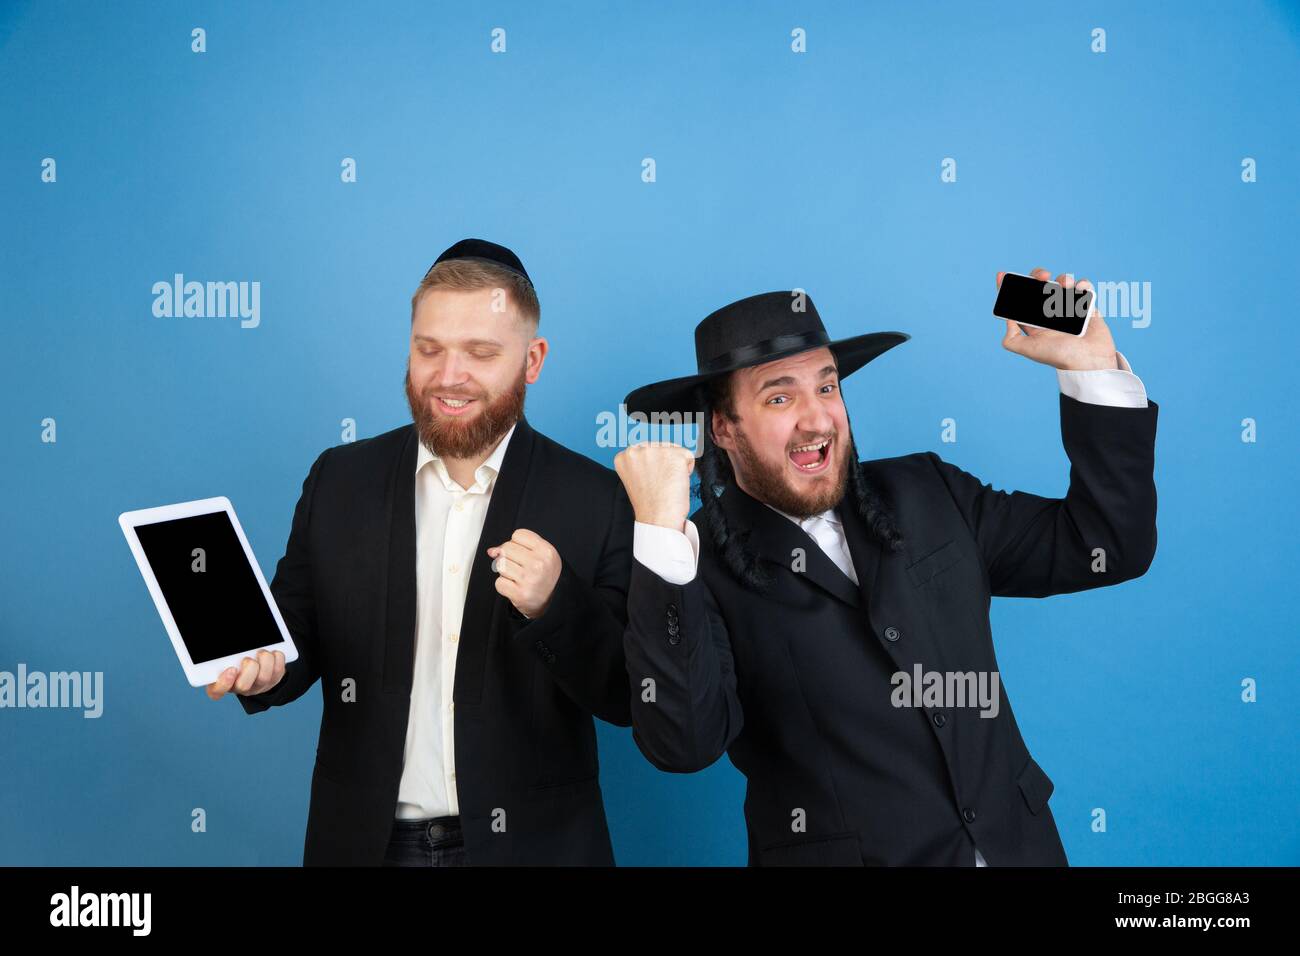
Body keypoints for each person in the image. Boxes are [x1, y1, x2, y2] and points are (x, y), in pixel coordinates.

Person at [613, 269, 1158, 865]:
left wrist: (1091, 367)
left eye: (827, 387)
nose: (817, 418)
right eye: (778, 396)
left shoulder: (930, 491)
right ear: (723, 428)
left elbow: (1106, 545)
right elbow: (683, 744)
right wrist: (661, 537)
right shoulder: (699, 569)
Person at [208, 238, 634, 866]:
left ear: (533, 360)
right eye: (428, 349)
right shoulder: (339, 479)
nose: (448, 376)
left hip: (533, 850)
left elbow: (629, 696)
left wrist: (554, 606)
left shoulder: (596, 498)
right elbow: (292, 633)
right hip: (367, 848)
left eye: (481, 353)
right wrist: (266, 666)